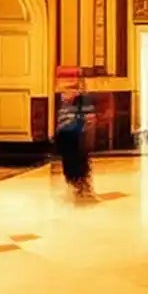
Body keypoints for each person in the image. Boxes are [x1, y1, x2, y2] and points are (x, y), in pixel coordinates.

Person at [54, 68, 95, 198]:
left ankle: (80, 183)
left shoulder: (81, 97)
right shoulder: (63, 97)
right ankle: (77, 183)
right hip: (68, 134)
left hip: (76, 134)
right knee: (72, 161)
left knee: (78, 161)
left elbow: (88, 117)